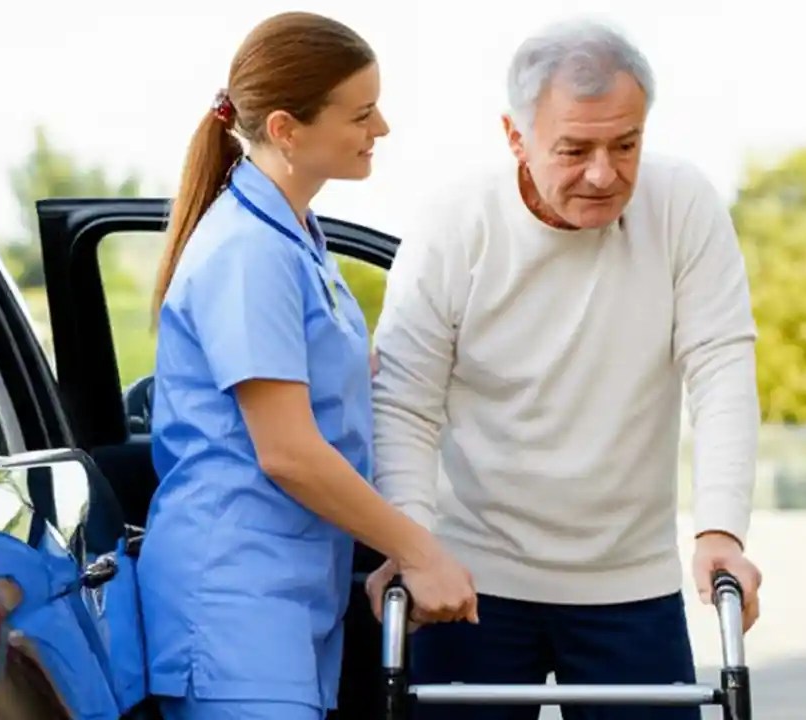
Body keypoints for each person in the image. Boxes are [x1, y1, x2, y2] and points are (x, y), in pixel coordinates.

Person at [364, 17, 764, 720]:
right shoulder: (456, 222)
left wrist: (721, 531)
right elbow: (404, 399)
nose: (604, 173)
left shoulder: (683, 204)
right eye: (575, 149)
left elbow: (721, 366)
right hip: (470, 582)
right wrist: (411, 542)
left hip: (629, 583)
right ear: (516, 138)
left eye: (627, 144)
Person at [136, 11, 478, 720]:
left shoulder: (295, 239)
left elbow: (346, 393)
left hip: (284, 601)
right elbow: (289, 451)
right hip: (234, 603)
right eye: (361, 113)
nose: (379, 129)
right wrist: (420, 552)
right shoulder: (246, 252)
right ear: (288, 129)